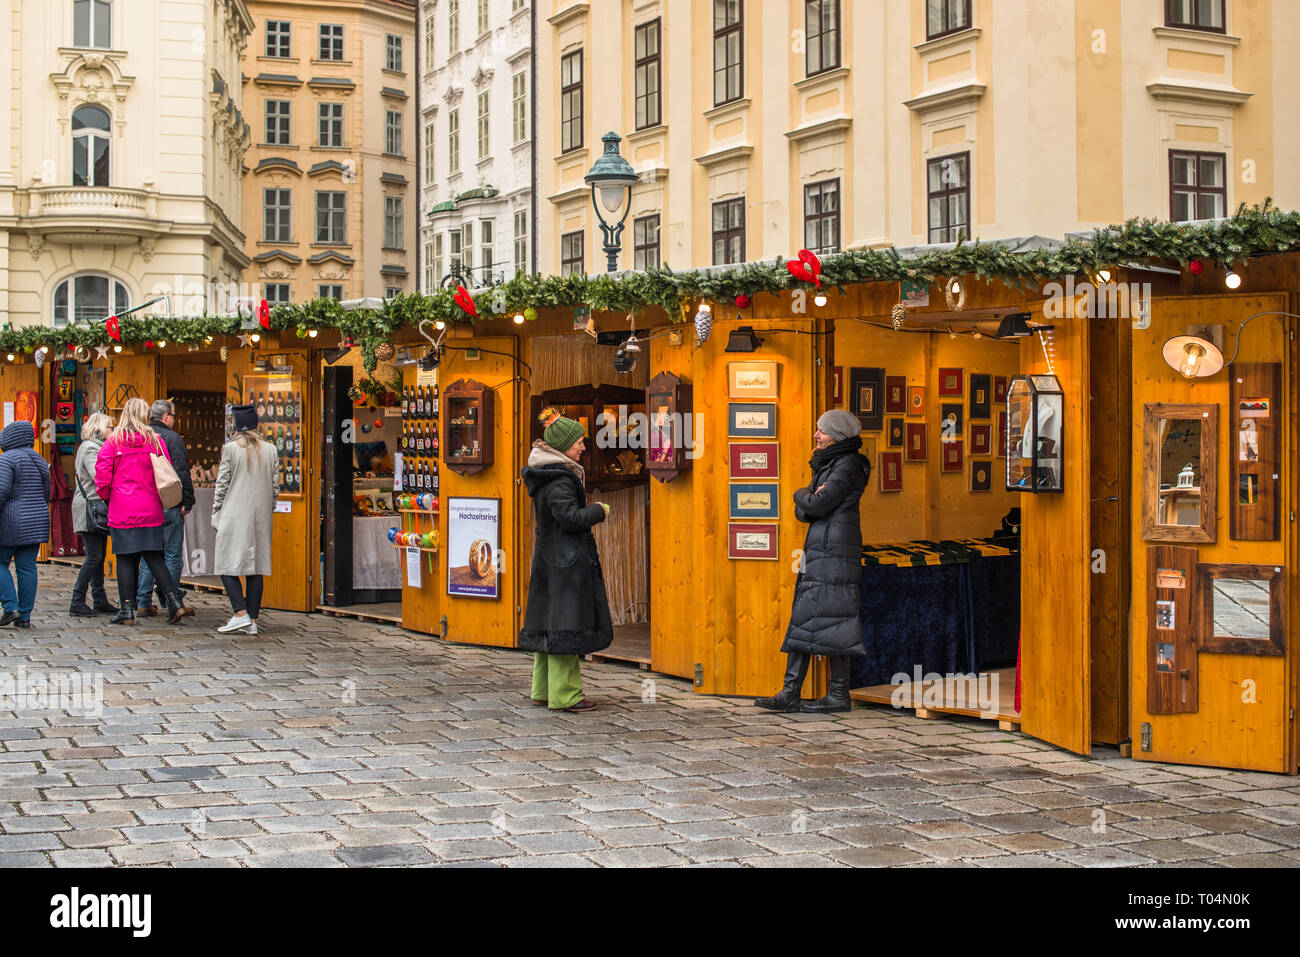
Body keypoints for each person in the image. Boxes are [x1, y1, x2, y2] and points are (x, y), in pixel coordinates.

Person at [756, 409, 871, 714]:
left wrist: (799, 493)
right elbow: (808, 511)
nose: (816, 436)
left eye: (821, 431)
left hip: (834, 552)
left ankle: (824, 694)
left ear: (837, 434)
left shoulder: (846, 465)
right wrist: (808, 500)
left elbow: (817, 503)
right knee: (810, 619)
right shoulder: (832, 463)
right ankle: (801, 692)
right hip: (824, 550)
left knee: (832, 620)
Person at [517, 409, 613, 713]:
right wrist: (599, 510)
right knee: (566, 627)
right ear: (563, 446)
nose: (583, 447)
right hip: (566, 562)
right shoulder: (560, 479)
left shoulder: (548, 474)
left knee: (549, 624)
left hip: (551, 559)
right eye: (579, 442)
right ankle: (567, 695)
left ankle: (542, 691)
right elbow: (570, 520)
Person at [95, 397, 190, 625]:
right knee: (155, 556)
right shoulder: (154, 441)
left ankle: (126, 610)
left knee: (126, 559)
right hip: (150, 507)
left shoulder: (114, 441)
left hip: (123, 508)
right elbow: (166, 470)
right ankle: (174, 603)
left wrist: (109, 497)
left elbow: (102, 476)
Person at [212, 404, 278, 635]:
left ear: (236, 425)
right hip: (260, 516)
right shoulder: (270, 450)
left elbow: (222, 485)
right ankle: (252, 619)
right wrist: (267, 509)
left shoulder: (231, 449)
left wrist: (216, 513)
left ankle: (240, 613)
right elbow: (275, 486)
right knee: (255, 567)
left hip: (234, 512)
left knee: (225, 563)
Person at [135, 399, 194, 618]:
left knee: (149, 553)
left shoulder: (140, 437)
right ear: (166, 417)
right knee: (171, 554)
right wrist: (187, 500)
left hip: (145, 503)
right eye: (174, 417)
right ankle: (173, 601)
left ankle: (143, 601)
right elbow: (181, 472)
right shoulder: (172, 438)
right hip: (169, 502)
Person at [0, 420, 51, 627]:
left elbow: (1, 492)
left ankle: (10, 607)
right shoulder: (39, 459)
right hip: (36, 521)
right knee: (27, 567)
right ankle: (25, 617)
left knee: (1, 562)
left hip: (11, 522)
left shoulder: (7, 459)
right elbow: (46, 494)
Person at [69, 412, 117, 616]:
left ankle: (99, 599)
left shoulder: (94, 447)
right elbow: (98, 475)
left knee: (97, 555)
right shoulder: (90, 448)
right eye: (109, 427)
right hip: (90, 507)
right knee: (94, 555)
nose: (112, 431)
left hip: (95, 507)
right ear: (99, 428)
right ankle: (77, 600)